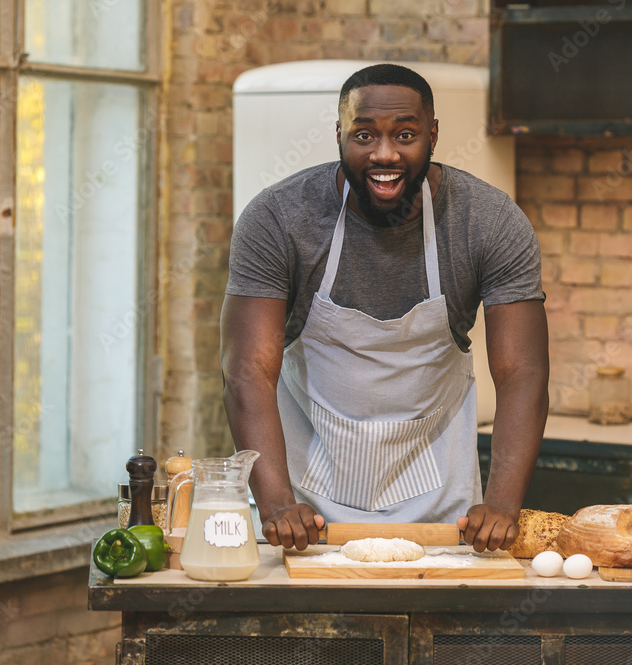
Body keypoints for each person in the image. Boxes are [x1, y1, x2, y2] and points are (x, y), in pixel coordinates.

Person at [220, 63, 549, 553]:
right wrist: (276, 503)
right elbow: (246, 369)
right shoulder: (277, 218)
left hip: (442, 513)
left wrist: (501, 504)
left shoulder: (489, 221)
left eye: (406, 134)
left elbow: (522, 370)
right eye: (364, 135)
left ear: (433, 135)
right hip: (302, 512)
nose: (385, 153)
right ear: (339, 135)